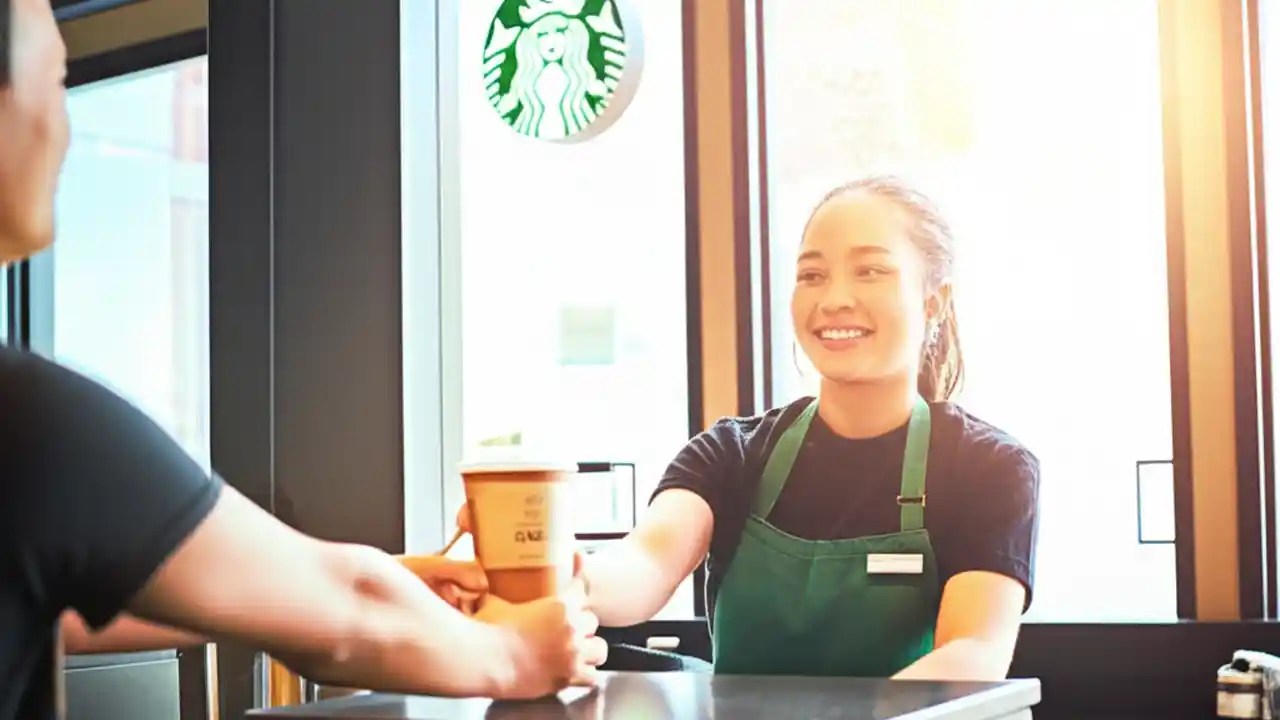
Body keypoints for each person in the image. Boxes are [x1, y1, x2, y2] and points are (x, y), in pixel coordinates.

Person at [0, 1, 606, 718]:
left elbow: (72, 596)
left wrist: (392, 583)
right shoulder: (27, 422)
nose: (65, 129)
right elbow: (347, 612)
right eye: (58, 77)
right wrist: (515, 655)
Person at [462, 176, 1041, 681]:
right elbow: (645, 566)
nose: (835, 298)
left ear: (934, 302)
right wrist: (554, 570)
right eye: (811, 274)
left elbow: (974, 652)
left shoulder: (988, 468)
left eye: (870, 271)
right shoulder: (732, 454)